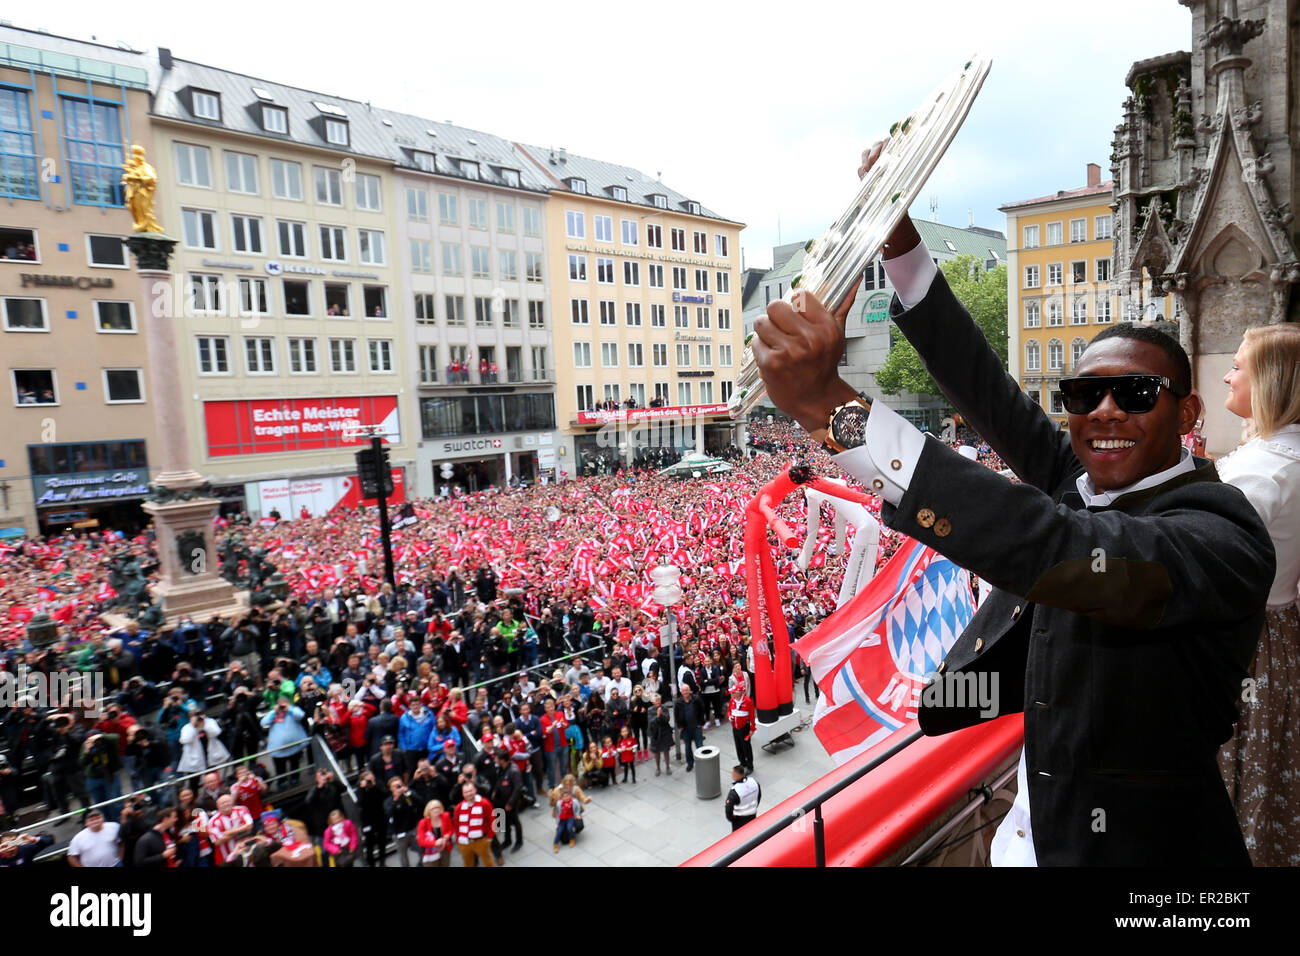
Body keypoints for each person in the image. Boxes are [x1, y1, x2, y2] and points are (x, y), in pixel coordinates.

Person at [750, 158, 1274, 867]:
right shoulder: (1078, 476)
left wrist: (828, 407)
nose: (1106, 411)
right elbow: (983, 386)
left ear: (1188, 411)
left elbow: (1059, 546)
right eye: (1085, 396)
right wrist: (896, 240)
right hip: (1025, 831)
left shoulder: (1224, 534)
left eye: (1137, 392)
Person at [1214, 324, 1300, 866]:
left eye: (1239, 365)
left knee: (1232, 782)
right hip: (1280, 636)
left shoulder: (1261, 472)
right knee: (1265, 778)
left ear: (1270, 381)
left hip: (1244, 643)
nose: (1227, 373)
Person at [453, 780, 495, 867]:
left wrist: (489, 837)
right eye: (466, 792)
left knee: (488, 863)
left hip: (481, 841)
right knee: (467, 864)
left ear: (475, 790)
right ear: (462, 794)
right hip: (464, 843)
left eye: (470, 791)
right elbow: (457, 825)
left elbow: (493, 820)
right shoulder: (458, 808)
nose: (468, 794)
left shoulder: (484, 803)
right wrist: (458, 840)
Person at [384, 775, 421, 867]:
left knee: (422, 850)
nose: (398, 788)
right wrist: (395, 799)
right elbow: (388, 813)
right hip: (399, 833)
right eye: (395, 786)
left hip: (412, 829)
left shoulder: (408, 795)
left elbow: (420, 802)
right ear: (390, 789)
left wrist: (409, 792)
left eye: (399, 785)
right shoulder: (388, 801)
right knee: (403, 857)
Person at [549, 773, 589, 852]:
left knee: (575, 826)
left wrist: (585, 801)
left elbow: (581, 800)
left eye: (570, 784)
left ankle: (572, 836)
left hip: (571, 816)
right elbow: (555, 808)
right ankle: (556, 843)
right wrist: (552, 799)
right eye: (566, 784)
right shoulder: (558, 793)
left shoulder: (575, 794)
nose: (568, 786)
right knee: (563, 838)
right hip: (563, 818)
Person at [674, 684, 705, 772]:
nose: (685, 692)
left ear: (690, 690)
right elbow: (676, 715)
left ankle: (702, 763)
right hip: (685, 729)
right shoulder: (678, 702)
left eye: (687, 690)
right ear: (681, 691)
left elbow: (702, 710)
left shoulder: (696, 699)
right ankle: (690, 764)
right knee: (688, 748)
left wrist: (701, 723)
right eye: (684, 691)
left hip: (696, 727)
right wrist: (680, 726)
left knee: (699, 746)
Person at [727, 682, 756, 773]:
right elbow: (729, 711)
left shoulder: (748, 702)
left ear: (739, 693)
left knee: (746, 747)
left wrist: (752, 729)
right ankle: (742, 762)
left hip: (744, 728)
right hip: (735, 728)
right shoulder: (732, 700)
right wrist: (729, 717)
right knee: (738, 746)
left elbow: (752, 716)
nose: (732, 694)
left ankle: (750, 766)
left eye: (734, 692)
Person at [724, 764, 761, 831]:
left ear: (737, 775)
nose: (732, 775)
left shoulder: (735, 791)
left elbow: (728, 808)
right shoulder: (754, 782)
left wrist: (731, 818)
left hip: (739, 820)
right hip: (752, 814)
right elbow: (759, 796)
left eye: (733, 773)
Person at [649, 694, 674, 776]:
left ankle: (667, 767)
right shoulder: (650, 710)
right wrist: (658, 716)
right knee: (657, 752)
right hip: (655, 734)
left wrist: (661, 715)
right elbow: (651, 722)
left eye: (659, 700)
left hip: (665, 733)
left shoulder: (664, 708)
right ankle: (658, 768)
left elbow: (667, 719)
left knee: (666, 750)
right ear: (652, 701)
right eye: (656, 700)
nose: (657, 702)